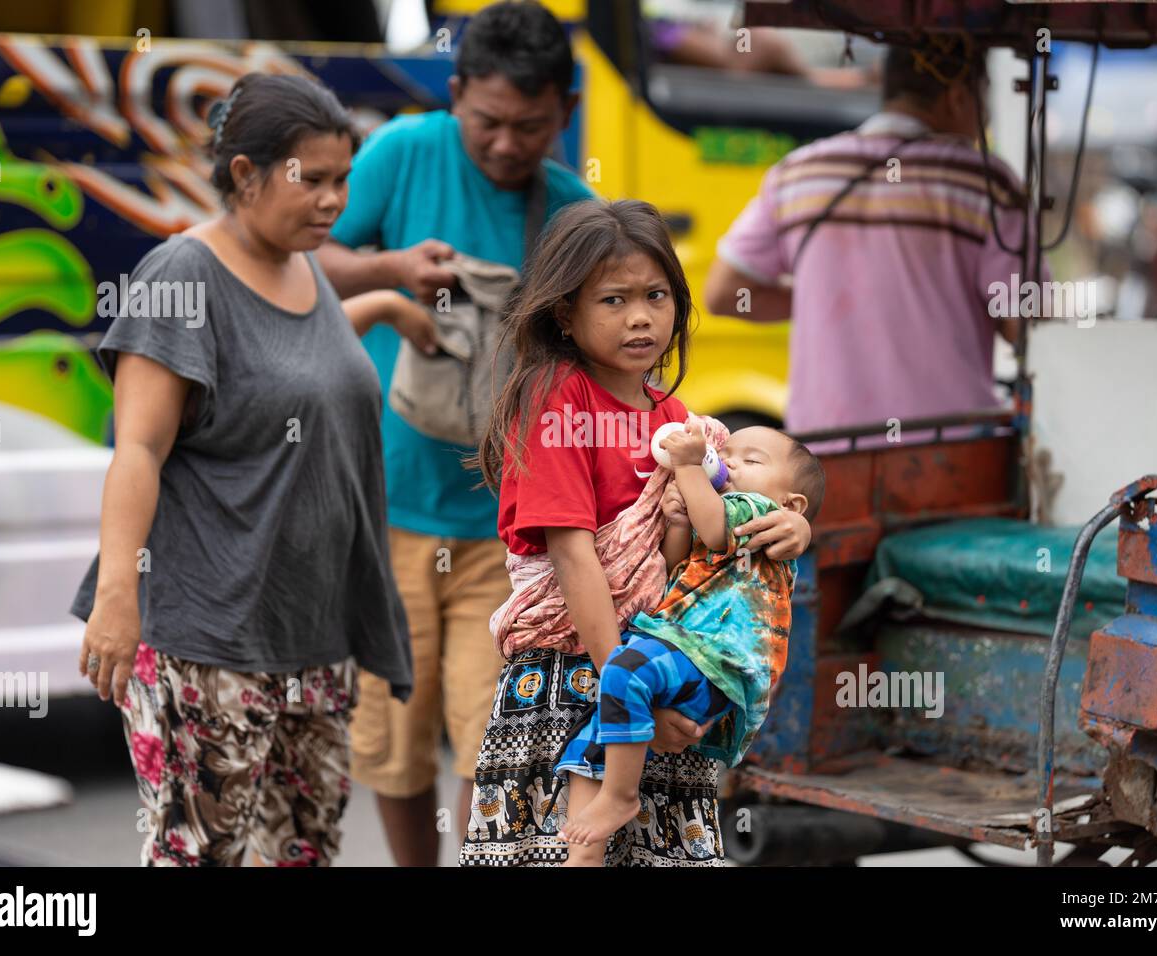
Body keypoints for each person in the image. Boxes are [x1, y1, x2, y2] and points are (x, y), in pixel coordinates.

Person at [70, 73, 423, 866]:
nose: (335, 202)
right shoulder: (183, 277)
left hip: (312, 633)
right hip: (208, 633)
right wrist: (119, 598)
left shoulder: (302, 266)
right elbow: (139, 448)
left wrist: (394, 307)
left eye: (344, 181)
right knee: (209, 852)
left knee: (305, 851)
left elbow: (296, 363)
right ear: (245, 174)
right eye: (314, 180)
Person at [317, 1, 596, 866]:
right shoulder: (403, 153)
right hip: (389, 507)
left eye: (533, 127)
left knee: (494, 735)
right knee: (395, 739)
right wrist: (392, 273)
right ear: (456, 94)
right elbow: (304, 261)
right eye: (489, 123)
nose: (509, 145)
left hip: (511, 530)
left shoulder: (574, 209)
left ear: (566, 108)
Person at [462, 198, 813, 866]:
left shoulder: (677, 422)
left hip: (658, 679)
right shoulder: (556, 397)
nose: (640, 317)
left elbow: (728, 524)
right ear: (565, 313)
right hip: (577, 680)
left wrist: (792, 522)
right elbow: (574, 559)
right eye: (614, 300)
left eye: (656, 295)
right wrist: (625, 685)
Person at [705, 34, 1031, 445]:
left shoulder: (798, 172)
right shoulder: (987, 183)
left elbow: (723, 292)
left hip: (825, 453)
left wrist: (822, 299)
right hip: (950, 451)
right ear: (959, 96)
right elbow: (1026, 325)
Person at [556, 424, 824, 865]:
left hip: (718, 659)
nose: (731, 463)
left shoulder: (759, 512)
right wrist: (679, 520)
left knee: (623, 669)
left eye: (751, 460)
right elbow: (680, 562)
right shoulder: (722, 511)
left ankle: (621, 797)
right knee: (598, 730)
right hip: (689, 655)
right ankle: (584, 856)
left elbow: (717, 531)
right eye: (729, 454)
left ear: (791, 504)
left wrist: (686, 467)